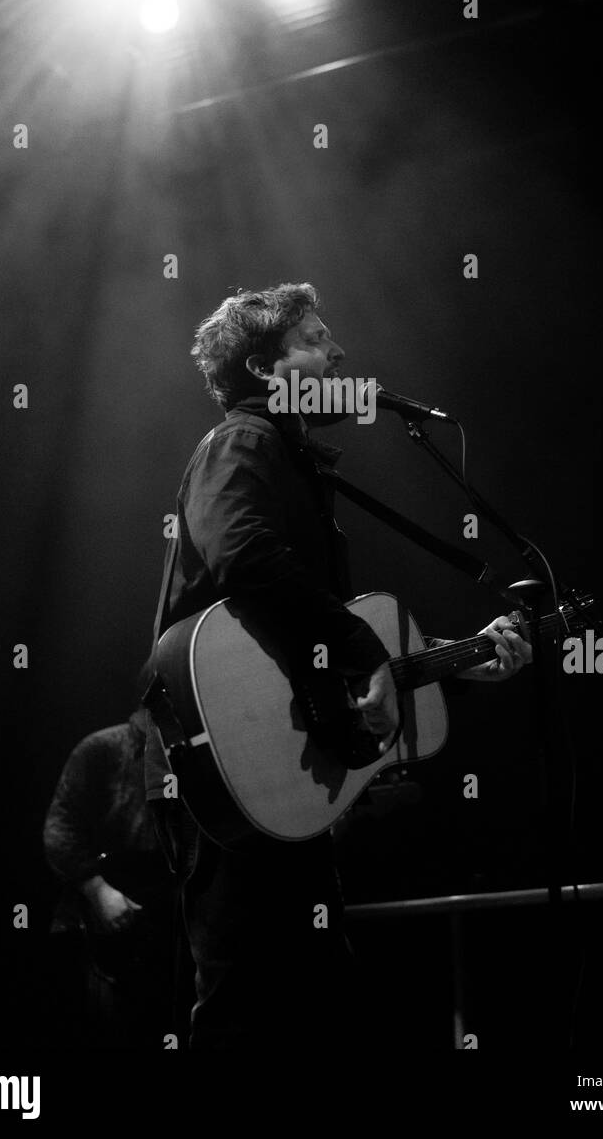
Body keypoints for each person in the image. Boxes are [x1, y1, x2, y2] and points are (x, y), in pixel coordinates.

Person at [148, 281, 531, 1049]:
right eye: (317, 339)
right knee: (247, 1006)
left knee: (311, 1000)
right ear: (264, 368)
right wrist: (364, 652)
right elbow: (243, 556)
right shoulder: (242, 442)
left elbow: (320, 647)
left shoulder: (297, 462)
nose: (340, 353)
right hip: (228, 758)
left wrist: (456, 664)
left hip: (280, 777)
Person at [42, 708, 188, 1047]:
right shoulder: (102, 748)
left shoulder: (196, 751)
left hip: (172, 928)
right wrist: (97, 890)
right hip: (106, 920)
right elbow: (60, 832)